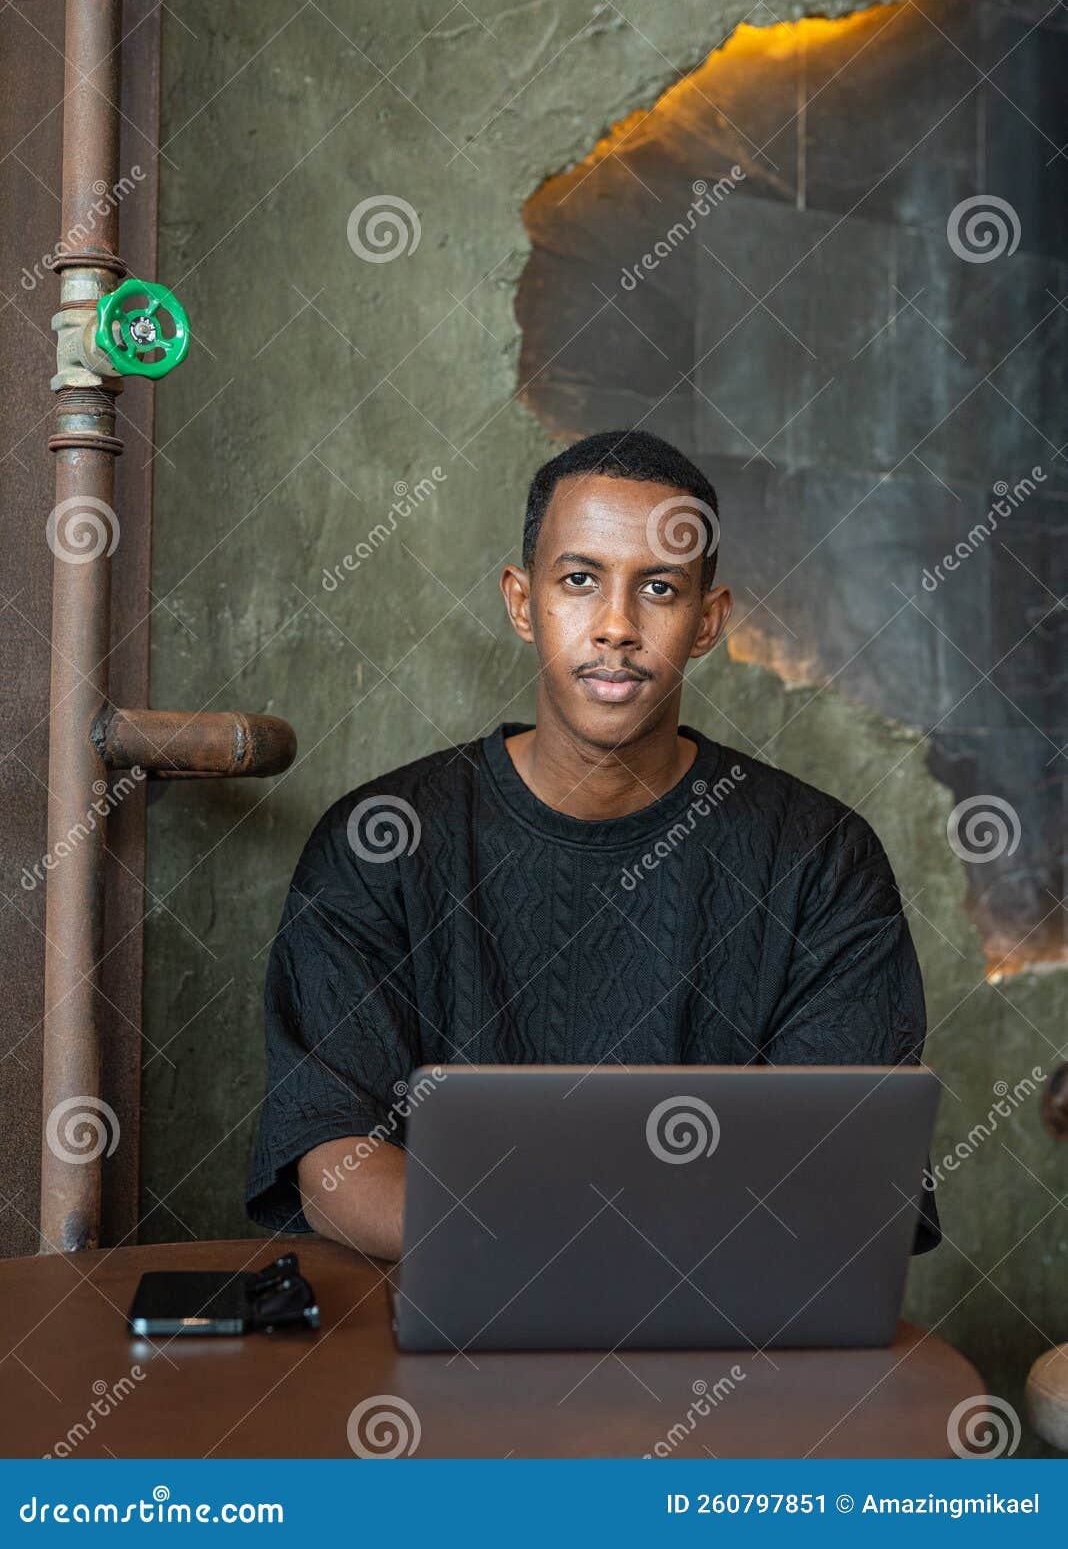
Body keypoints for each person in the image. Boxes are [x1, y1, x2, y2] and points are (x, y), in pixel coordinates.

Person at [246, 429, 940, 1261]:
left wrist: (618, 1275)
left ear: (708, 621)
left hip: (723, 1336)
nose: (616, 626)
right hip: (450, 1324)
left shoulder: (822, 860)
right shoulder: (380, 843)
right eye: (579, 580)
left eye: (659, 588)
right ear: (520, 601)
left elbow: (840, 1169)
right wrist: (550, 1259)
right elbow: (332, 1156)